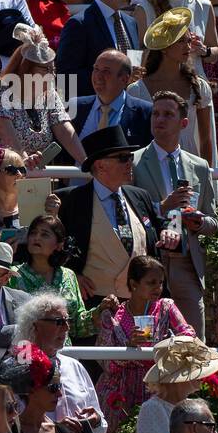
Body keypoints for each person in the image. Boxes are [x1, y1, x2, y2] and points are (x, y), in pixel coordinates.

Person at [53, 125, 177, 302]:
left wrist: (171, 229)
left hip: (141, 302)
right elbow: (53, 246)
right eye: (122, 158)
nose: (129, 163)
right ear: (100, 165)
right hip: (95, 304)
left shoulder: (139, 195)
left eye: (130, 157)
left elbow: (164, 223)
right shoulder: (73, 200)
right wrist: (73, 276)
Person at [132, 92, 218, 336]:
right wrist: (163, 206)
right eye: (156, 113)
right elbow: (130, 212)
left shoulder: (200, 167)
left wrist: (199, 222)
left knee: (193, 340)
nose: (159, 119)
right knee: (146, 339)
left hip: (186, 262)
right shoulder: (134, 162)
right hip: (150, 260)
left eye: (168, 114)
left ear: (183, 123)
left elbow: (214, 222)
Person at [10, 315, 116, 433]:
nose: (66, 327)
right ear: (36, 325)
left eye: (68, 320)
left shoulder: (75, 366)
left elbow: (101, 428)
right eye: (58, 321)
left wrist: (94, 421)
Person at [94, 255, 194, 428]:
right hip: (119, 395)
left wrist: (165, 344)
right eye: (151, 282)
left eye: (161, 283)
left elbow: (188, 334)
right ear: (133, 284)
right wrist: (129, 348)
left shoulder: (166, 307)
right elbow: (106, 362)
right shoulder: (112, 315)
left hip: (157, 390)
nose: (158, 288)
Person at [0, 26, 85, 162]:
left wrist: (86, 163)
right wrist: (25, 160)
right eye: (46, 69)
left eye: (53, 69)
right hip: (1, 173)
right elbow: (6, 133)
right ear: (26, 68)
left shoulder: (50, 95)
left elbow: (64, 130)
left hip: (35, 175)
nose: (52, 75)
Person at [129, 7, 216, 166]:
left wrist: (207, 176)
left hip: (191, 164)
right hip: (149, 165)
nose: (188, 47)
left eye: (189, 41)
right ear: (164, 47)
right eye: (180, 41)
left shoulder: (200, 86)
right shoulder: (136, 90)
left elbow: (205, 139)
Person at [57, 0, 142, 102]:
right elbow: (66, 79)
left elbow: (134, 66)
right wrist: (111, 78)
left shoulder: (131, 23)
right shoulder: (79, 24)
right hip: (93, 114)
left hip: (126, 112)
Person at [64, 53, 153, 170]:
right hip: (76, 185)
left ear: (124, 79)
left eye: (106, 71)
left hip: (122, 186)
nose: (98, 76)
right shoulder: (75, 106)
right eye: (96, 69)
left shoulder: (145, 112)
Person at [135, 337, 218, 433]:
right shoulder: (152, 408)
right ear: (177, 378)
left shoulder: (192, 406)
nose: (200, 374)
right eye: (194, 369)